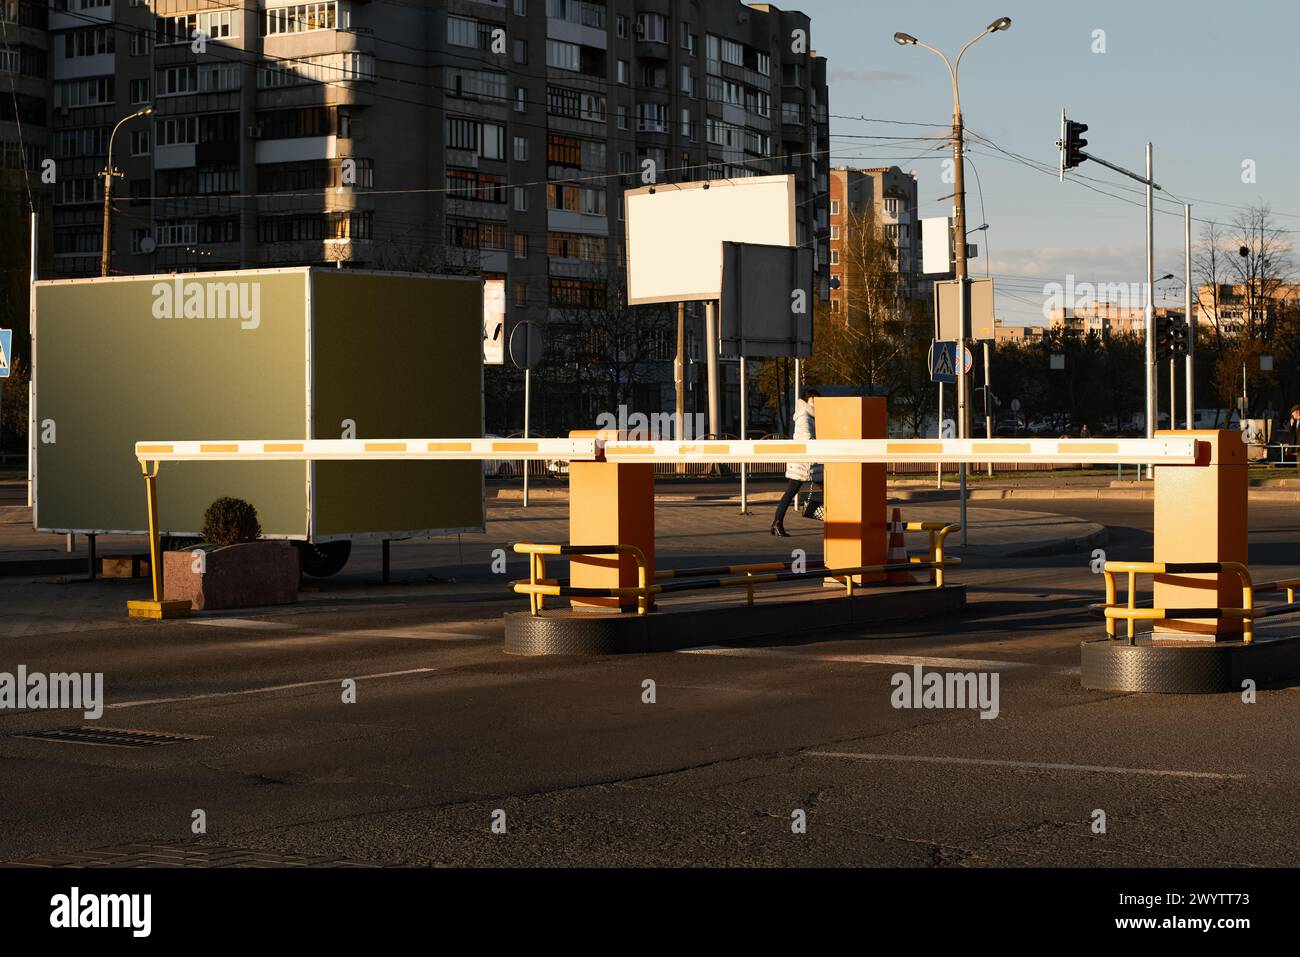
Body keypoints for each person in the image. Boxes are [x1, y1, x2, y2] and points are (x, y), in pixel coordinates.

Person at [771, 387, 820, 537]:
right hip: (803, 463)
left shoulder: (808, 415)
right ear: (808, 400)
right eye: (815, 400)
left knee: (791, 492)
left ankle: (776, 524)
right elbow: (806, 439)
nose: (818, 403)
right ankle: (776, 523)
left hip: (807, 462)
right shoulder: (805, 416)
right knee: (791, 492)